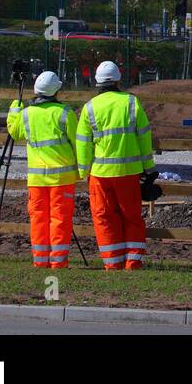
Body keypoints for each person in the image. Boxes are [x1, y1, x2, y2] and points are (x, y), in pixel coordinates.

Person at [75, 61, 155, 270]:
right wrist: (149, 167)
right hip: (129, 173)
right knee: (132, 217)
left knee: (104, 218)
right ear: (118, 79)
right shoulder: (131, 103)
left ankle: (112, 264)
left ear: (97, 82)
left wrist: (83, 171)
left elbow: (83, 143)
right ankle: (133, 262)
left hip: (100, 175)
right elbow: (144, 137)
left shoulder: (90, 107)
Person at [7, 71, 78, 268]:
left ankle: (39, 260)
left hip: (37, 179)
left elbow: (14, 132)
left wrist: (15, 108)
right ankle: (58, 261)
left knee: (38, 219)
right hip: (62, 179)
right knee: (60, 219)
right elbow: (77, 143)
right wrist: (82, 171)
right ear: (56, 90)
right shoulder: (65, 113)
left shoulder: (27, 114)